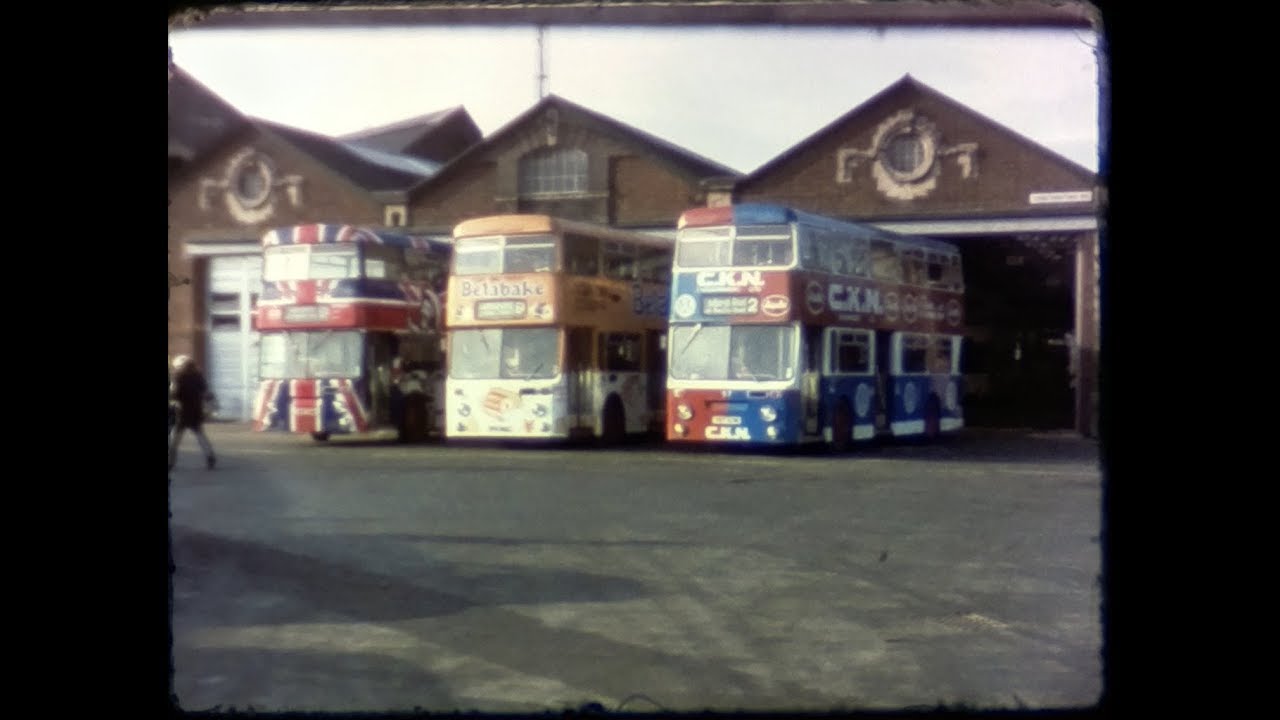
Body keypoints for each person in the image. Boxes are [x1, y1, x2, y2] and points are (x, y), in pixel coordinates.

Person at [169, 355, 217, 470]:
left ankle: (171, 461)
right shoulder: (198, 376)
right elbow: (206, 392)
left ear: (180, 366)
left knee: (175, 438)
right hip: (196, 410)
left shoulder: (178, 377)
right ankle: (210, 456)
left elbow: (174, 393)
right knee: (200, 435)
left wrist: (172, 398)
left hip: (182, 412)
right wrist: (209, 407)